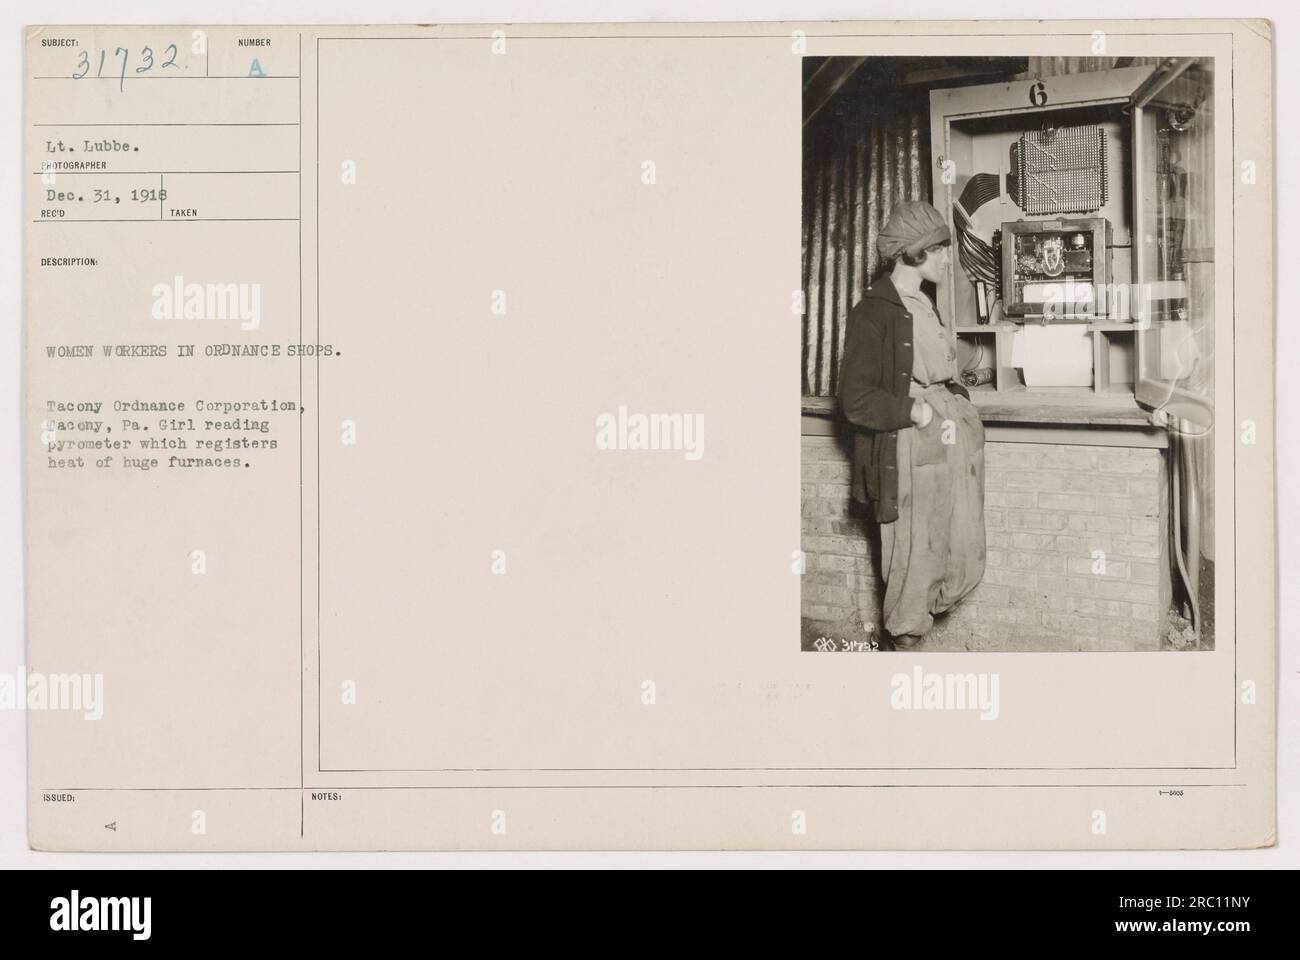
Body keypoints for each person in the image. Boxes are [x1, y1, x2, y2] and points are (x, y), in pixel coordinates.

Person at [837, 200, 986, 647]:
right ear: (914, 251)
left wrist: (956, 399)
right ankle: (903, 649)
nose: (946, 258)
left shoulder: (922, 302)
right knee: (914, 560)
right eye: (939, 249)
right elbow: (856, 399)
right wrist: (913, 412)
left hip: (948, 443)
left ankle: (914, 636)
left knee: (958, 547)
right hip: (909, 449)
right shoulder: (875, 311)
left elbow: (939, 367)